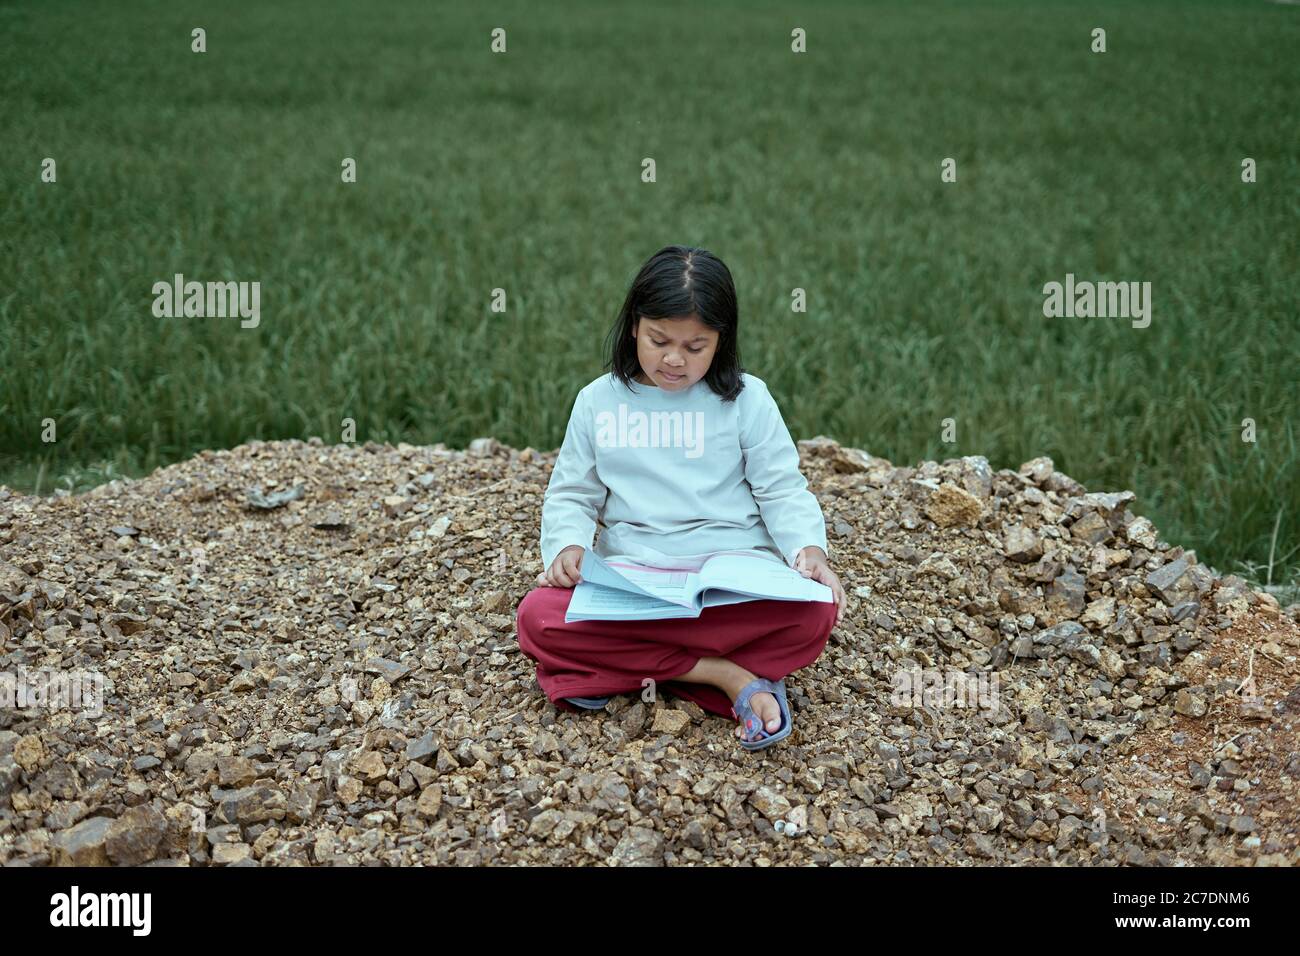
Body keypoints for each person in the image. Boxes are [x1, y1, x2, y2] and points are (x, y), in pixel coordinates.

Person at [515, 244, 845, 749]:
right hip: (637, 581)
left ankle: (624, 668)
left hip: (732, 576)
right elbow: (573, 496)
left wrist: (810, 553)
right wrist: (568, 548)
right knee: (537, 618)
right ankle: (725, 676)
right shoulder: (598, 401)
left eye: (695, 346)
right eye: (659, 340)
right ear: (633, 327)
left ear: (720, 341)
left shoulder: (747, 399)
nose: (673, 359)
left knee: (816, 611)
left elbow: (781, 489)